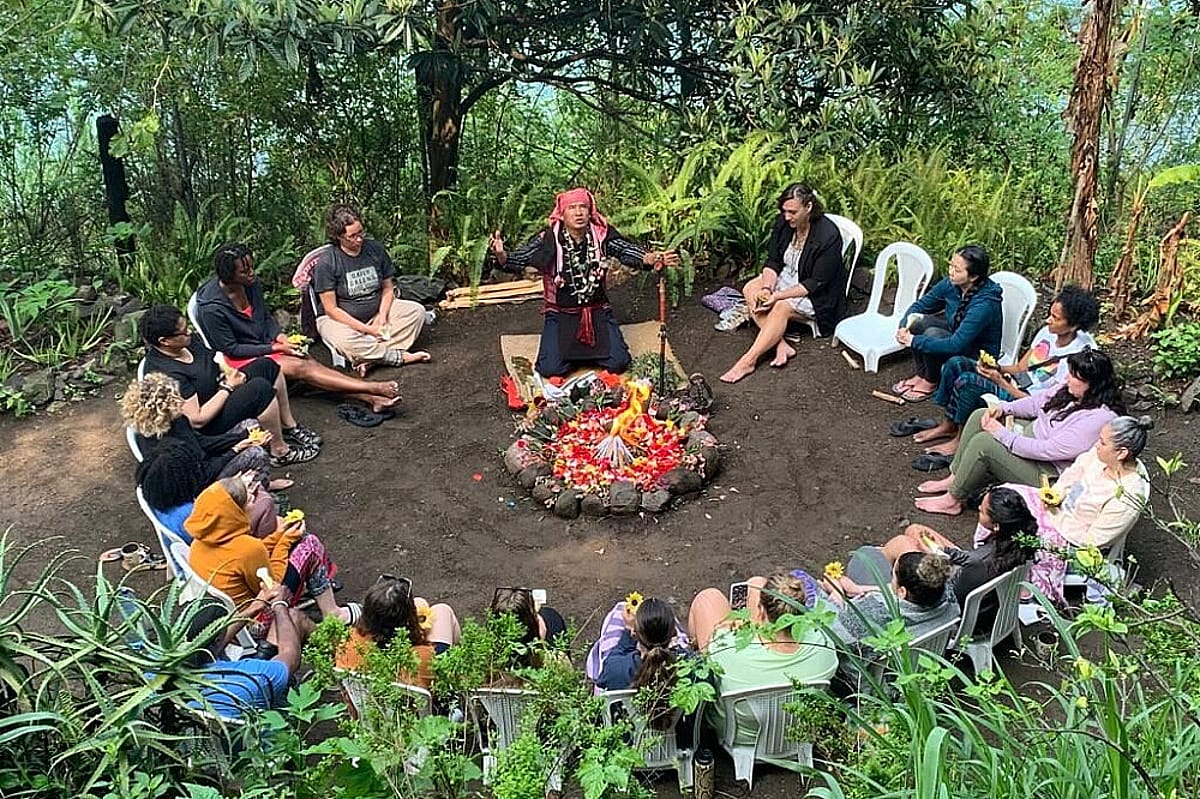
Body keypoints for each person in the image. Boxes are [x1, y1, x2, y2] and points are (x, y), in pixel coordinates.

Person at [488, 187, 681, 378]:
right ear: (562, 214)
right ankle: (574, 352)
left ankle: (582, 353)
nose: (578, 212)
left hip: (597, 311)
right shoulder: (549, 238)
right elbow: (520, 258)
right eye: (572, 208)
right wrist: (501, 255)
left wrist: (652, 257)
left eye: (583, 207)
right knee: (550, 368)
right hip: (560, 314)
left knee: (619, 363)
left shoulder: (601, 235)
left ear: (590, 212)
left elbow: (626, 250)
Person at [915, 348, 1125, 516]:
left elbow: (1048, 451)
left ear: (1093, 385)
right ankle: (956, 476)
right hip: (1030, 435)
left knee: (985, 444)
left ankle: (952, 500)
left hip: (1049, 472)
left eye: (1074, 377)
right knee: (982, 415)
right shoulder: (1072, 390)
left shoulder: (1099, 419)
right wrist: (1005, 408)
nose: (1067, 379)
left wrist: (1003, 435)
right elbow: (1037, 403)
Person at [197, 242, 402, 413]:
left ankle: (371, 399)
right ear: (228, 275)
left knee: (308, 362)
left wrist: (280, 337)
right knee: (301, 367)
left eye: (251, 266)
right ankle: (373, 388)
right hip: (240, 360)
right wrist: (275, 349)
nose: (252, 273)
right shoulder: (211, 308)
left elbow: (266, 319)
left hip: (264, 345)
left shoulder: (251, 286)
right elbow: (231, 349)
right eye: (245, 271)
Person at [911, 285, 1100, 456]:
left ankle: (959, 440)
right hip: (1014, 382)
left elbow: (1044, 403)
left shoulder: (1075, 360)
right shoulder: (1047, 334)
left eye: (1055, 318)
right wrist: (997, 368)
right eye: (1050, 314)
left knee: (968, 381)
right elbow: (1020, 368)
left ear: (1074, 325)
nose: (1048, 320)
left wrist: (1000, 381)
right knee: (956, 364)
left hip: (1025, 400)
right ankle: (948, 424)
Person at [140, 304, 320, 467]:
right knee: (259, 389)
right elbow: (197, 420)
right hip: (208, 425)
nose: (189, 333)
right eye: (183, 332)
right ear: (165, 341)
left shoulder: (187, 343)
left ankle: (289, 426)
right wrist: (228, 387)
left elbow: (213, 360)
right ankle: (280, 451)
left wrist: (228, 373)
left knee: (267, 366)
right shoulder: (166, 374)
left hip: (220, 391)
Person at [1004, 416, 1152, 606]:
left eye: (1102, 442)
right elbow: (1074, 473)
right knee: (1006, 497)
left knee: (1019, 528)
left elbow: (1094, 541)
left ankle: (1024, 587)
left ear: (1122, 453)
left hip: (1072, 539)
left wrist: (1053, 522)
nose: (1096, 445)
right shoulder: (1099, 457)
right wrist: (1056, 494)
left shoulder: (1127, 495)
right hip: (1057, 510)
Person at [858, 486, 1038, 631]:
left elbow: (940, 591)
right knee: (914, 531)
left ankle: (888, 573)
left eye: (982, 511)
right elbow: (968, 559)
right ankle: (893, 558)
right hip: (990, 610)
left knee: (873, 553)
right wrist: (941, 550)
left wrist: (932, 560)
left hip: (953, 615)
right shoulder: (1018, 545)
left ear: (997, 525)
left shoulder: (979, 566)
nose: (977, 509)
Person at [688, 573, 837, 743]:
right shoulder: (823, 643)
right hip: (797, 732)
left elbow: (714, 648)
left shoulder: (729, 648)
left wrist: (732, 627)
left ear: (760, 610)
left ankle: (689, 650)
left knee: (709, 598)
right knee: (756, 583)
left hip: (741, 735)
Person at [720, 183, 846, 383]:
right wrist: (767, 288)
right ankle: (779, 344)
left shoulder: (828, 236)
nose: (787, 217)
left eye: (792, 212)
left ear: (809, 207)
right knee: (750, 288)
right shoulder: (784, 223)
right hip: (788, 276)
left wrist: (777, 295)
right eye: (784, 211)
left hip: (818, 293)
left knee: (780, 307)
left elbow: (815, 283)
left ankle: (749, 360)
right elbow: (773, 261)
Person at [186, 478, 355, 626]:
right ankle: (334, 613)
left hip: (228, 620)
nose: (255, 501)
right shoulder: (248, 548)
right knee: (309, 544)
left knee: (299, 543)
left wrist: (278, 535)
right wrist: (285, 542)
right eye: (250, 500)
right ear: (236, 512)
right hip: (256, 620)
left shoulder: (199, 542)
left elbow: (245, 557)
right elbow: (271, 586)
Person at [312, 204, 432, 372]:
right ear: (339, 237)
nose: (359, 239)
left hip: (376, 313)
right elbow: (331, 309)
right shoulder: (327, 262)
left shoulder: (374, 249)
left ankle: (372, 359)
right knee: (345, 340)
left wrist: (382, 318)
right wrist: (367, 330)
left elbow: (388, 288)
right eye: (352, 236)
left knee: (416, 312)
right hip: (340, 320)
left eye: (361, 232)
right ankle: (397, 356)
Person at [891, 245, 1003, 402]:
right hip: (955, 334)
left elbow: (955, 345)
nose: (951, 272)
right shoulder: (952, 284)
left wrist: (913, 341)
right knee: (917, 321)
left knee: (933, 334)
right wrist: (904, 326)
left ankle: (930, 380)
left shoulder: (984, 305)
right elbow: (920, 306)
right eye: (951, 265)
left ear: (973, 277)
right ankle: (921, 374)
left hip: (976, 353)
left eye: (957, 270)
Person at [181, 591, 308, 719]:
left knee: (283, 627)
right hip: (259, 734)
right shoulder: (254, 676)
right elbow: (291, 655)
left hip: (203, 733)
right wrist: (280, 606)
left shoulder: (164, 670)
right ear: (218, 640)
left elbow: (211, 642)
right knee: (295, 617)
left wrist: (254, 607)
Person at [336, 575, 461, 690]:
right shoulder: (423, 656)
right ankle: (458, 691)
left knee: (420, 602)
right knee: (443, 610)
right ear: (406, 622)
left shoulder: (347, 642)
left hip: (368, 707)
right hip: (418, 709)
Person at [135, 440, 277, 541]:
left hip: (197, 545)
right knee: (263, 502)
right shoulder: (190, 516)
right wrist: (244, 495)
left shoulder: (155, 493)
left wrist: (234, 485)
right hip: (224, 552)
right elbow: (227, 533)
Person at [822, 552, 959, 649]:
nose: (891, 580)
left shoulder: (873, 614)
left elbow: (835, 633)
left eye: (892, 577)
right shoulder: (947, 593)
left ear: (902, 592)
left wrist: (836, 593)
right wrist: (859, 589)